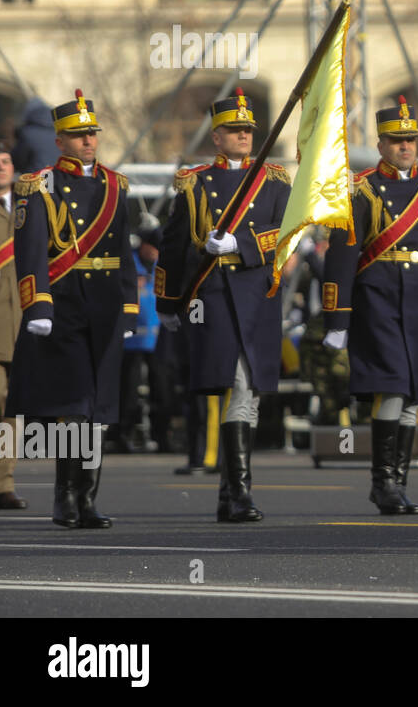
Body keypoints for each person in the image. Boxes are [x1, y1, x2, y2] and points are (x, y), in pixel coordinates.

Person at [156, 88, 291, 522]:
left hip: (257, 295)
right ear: (216, 137)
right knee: (235, 383)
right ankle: (238, 493)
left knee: (249, 391)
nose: (244, 136)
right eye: (234, 130)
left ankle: (232, 493)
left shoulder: (273, 181)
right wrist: (168, 303)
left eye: (248, 130)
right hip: (213, 297)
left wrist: (242, 242)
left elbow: (287, 234)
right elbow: (174, 245)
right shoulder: (194, 183)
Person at [321, 98, 418, 513]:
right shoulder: (362, 189)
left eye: (411, 140)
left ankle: (398, 481)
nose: (405, 147)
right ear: (381, 145)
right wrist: (337, 317)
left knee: (414, 393)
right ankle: (383, 482)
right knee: (392, 385)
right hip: (378, 300)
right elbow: (342, 256)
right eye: (397, 141)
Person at [8, 92, 139, 528]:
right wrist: (38, 303)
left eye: (91, 135)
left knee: (98, 408)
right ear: (59, 140)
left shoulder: (116, 185)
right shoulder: (38, 185)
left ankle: (88, 499)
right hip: (63, 305)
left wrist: (129, 309)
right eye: (78, 136)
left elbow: (123, 252)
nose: (88, 142)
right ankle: (65, 496)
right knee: (72, 405)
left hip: (103, 305)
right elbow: (31, 252)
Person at [0, 142, 27, 510]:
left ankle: (3, 483)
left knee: (12, 409)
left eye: (5, 162)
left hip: (20, 325)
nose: (1, 168)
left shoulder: (28, 208)